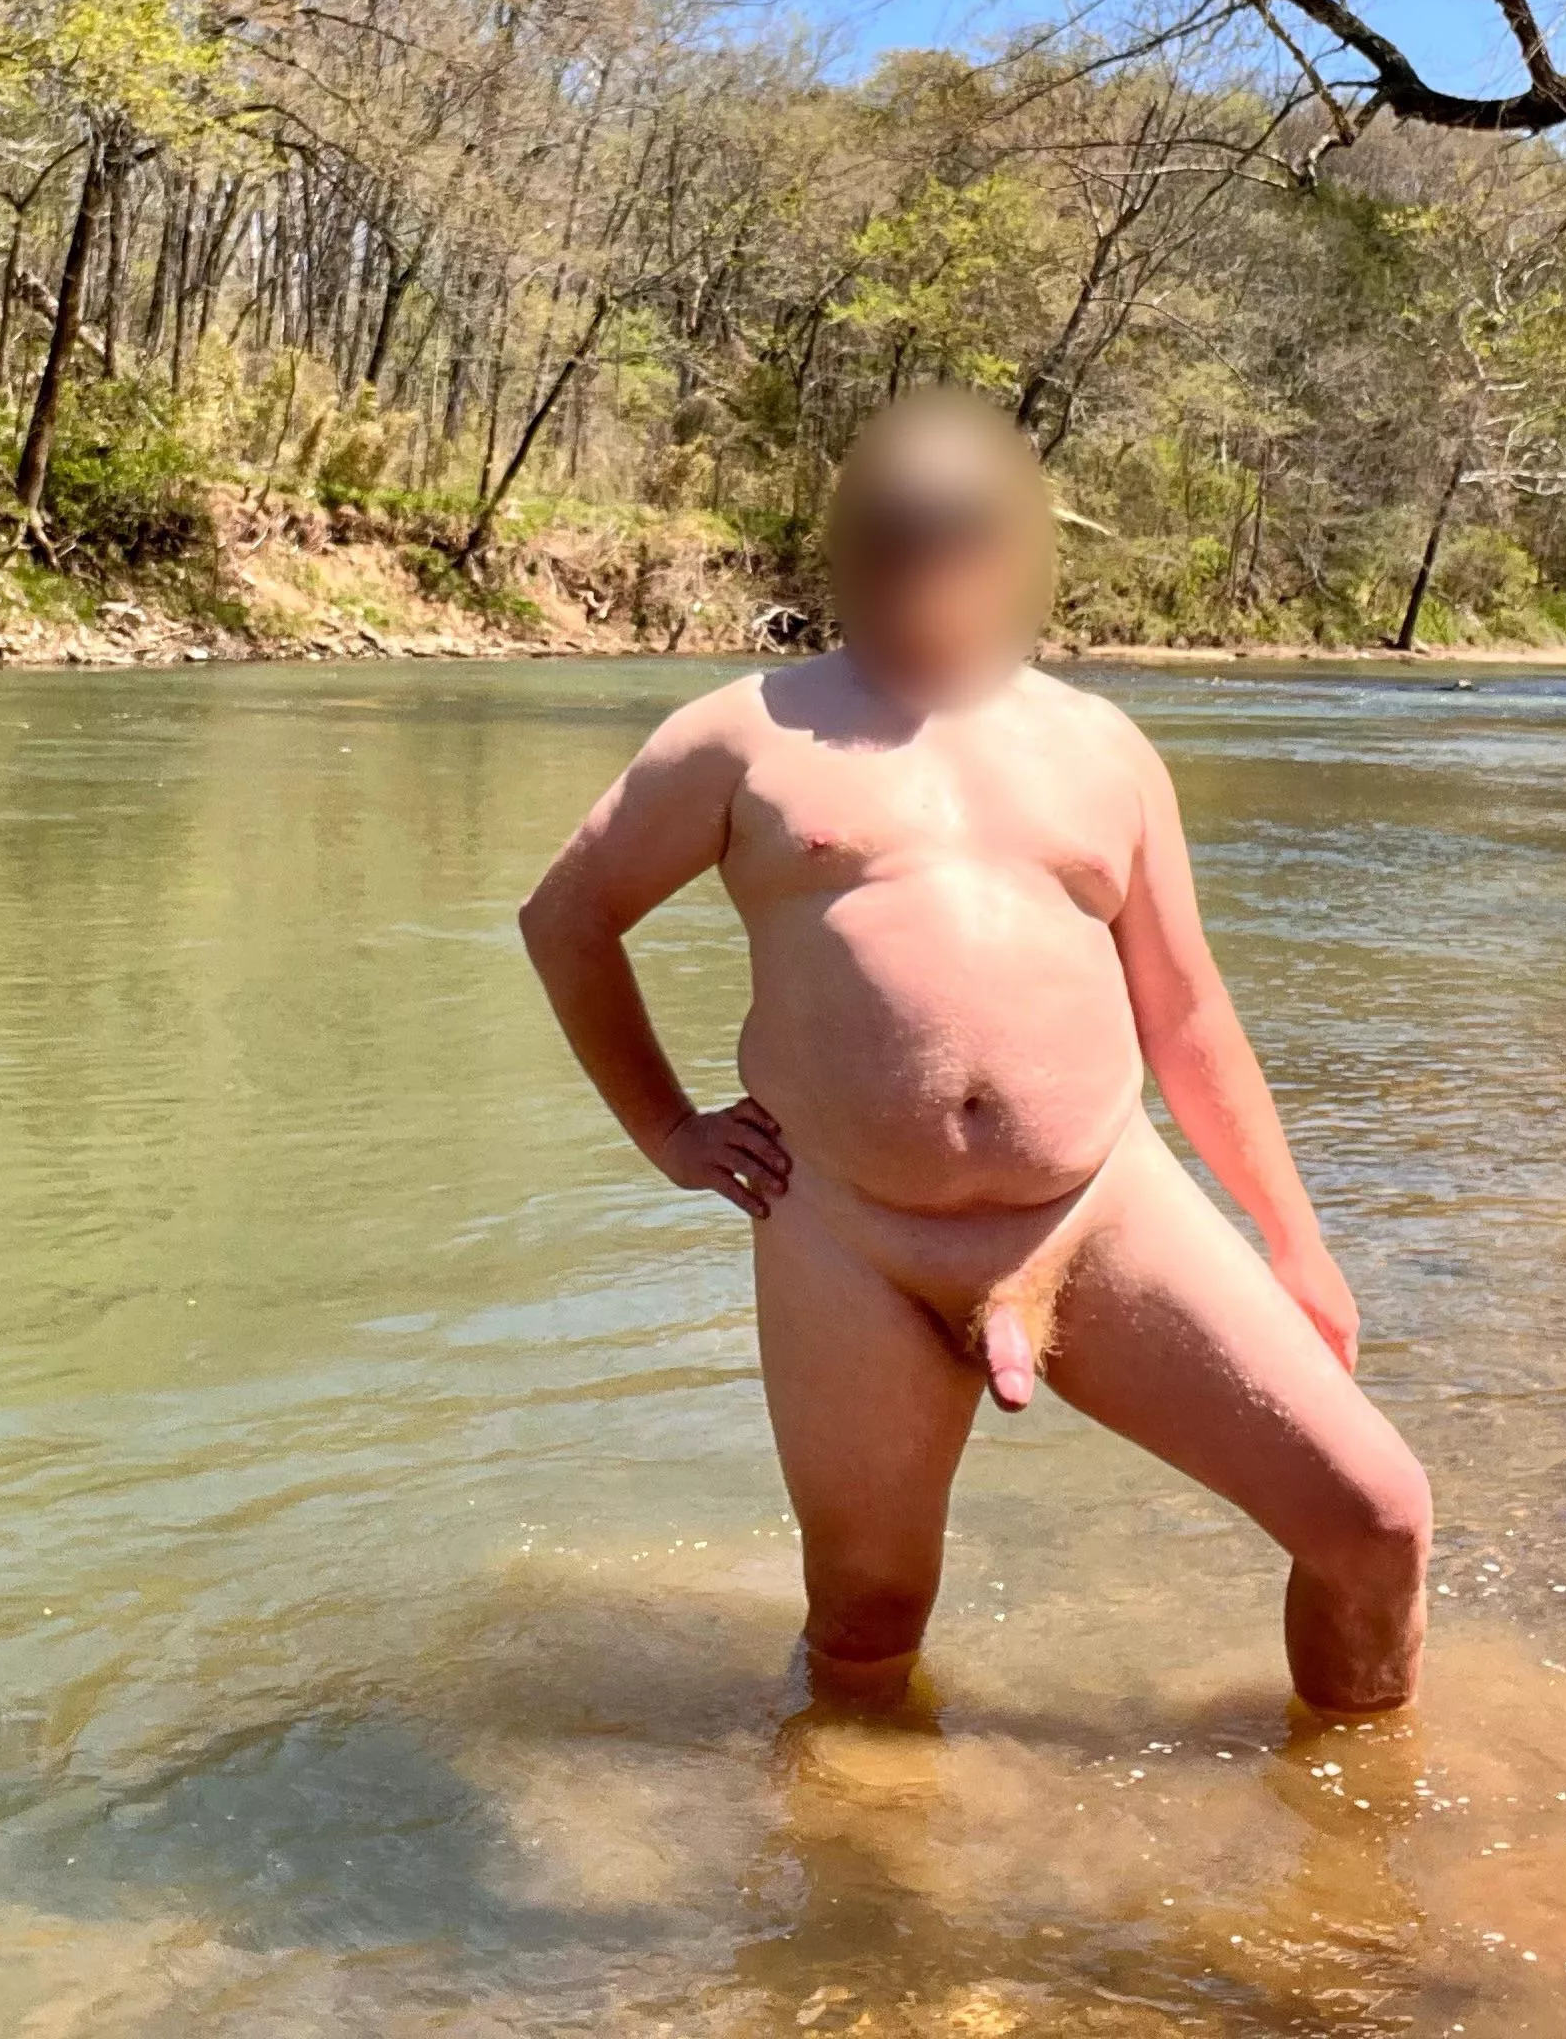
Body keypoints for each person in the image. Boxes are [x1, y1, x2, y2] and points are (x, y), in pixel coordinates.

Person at [517, 388, 1431, 1713]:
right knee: (867, 1633)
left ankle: (1348, 1870)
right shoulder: (739, 736)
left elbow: (1187, 1013)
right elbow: (568, 918)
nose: (924, 563)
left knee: (1376, 1521)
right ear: (849, 550)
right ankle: (861, 1902)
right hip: (847, 1235)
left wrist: (1293, 1235)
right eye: (895, 533)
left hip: (1103, 1210)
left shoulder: (1102, 747)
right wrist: (671, 1133)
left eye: (956, 533)